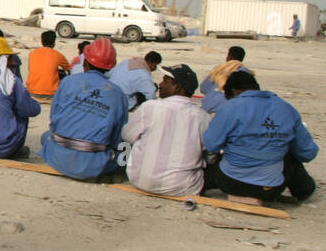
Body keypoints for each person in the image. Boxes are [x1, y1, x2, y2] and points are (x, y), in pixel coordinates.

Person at [202, 70, 317, 202]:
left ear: (235, 92)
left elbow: (211, 144)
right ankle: (303, 191)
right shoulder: (286, 108)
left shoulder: (229, 107)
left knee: (215, 160)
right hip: (270, 188)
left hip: (230, 184)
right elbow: (307, 153)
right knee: (290, 154)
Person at [40, 36, 130, 180]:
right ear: (111, 67)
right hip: (93, 164)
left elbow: (54, 120)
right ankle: (117, 173)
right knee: (126, 148)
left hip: (59, 157)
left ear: (85, 62)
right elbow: (118, 136)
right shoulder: (118, 94)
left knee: (46, 136)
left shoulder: (68, 81)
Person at [120, 63, 208, 196]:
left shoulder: (150, 107)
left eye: (165, 81)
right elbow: (210, 155)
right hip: (182, 188)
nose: (160, 84)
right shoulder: (203, 118)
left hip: (141, 181)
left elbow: (126, 136)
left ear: (177, 87)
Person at [199, 46, 252, 114]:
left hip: (210, 109)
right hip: (231, 111)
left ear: (229, 57)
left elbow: (203, 88)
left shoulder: (218, 69)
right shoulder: (247, 73)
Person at [26, 29, 70, 100]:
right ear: (54, 42)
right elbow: (69, 69)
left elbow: (30, 70)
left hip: (32, 91)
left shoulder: (32, 53)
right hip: (51, 93)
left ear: (41, 42)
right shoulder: (58, 55)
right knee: (62, 73)